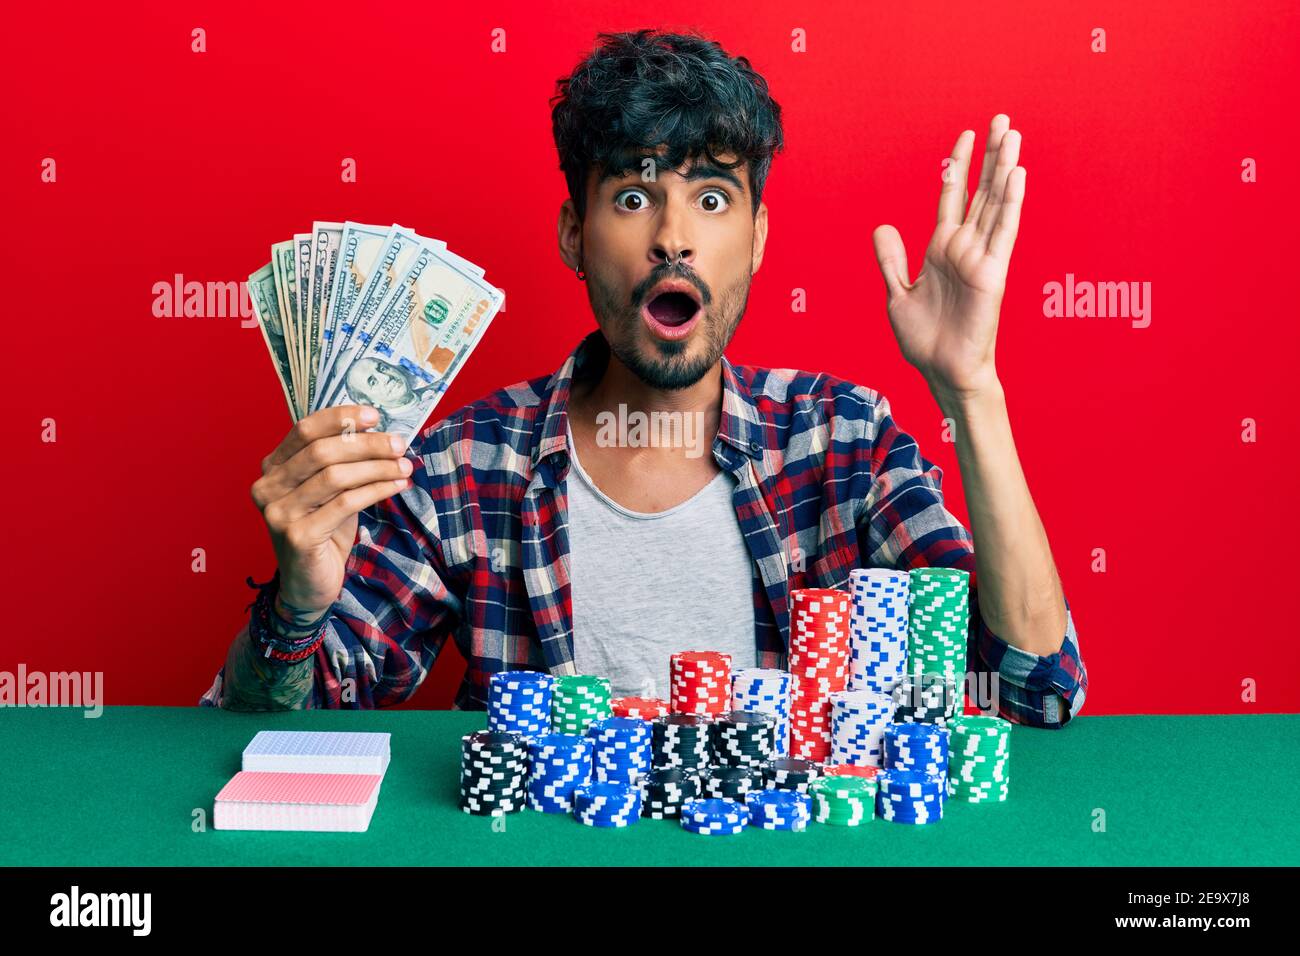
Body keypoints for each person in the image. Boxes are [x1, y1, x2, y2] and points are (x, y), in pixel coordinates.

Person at [201, 29, 1087, 728]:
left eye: (711, 198)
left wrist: (973, 391)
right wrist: (299, 602)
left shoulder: (843, 441)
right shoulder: (465, 467)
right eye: (632, 196)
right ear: (573, 237)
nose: (673, 237)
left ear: (759, 238)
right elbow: (282, 722)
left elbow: (1034, 690)